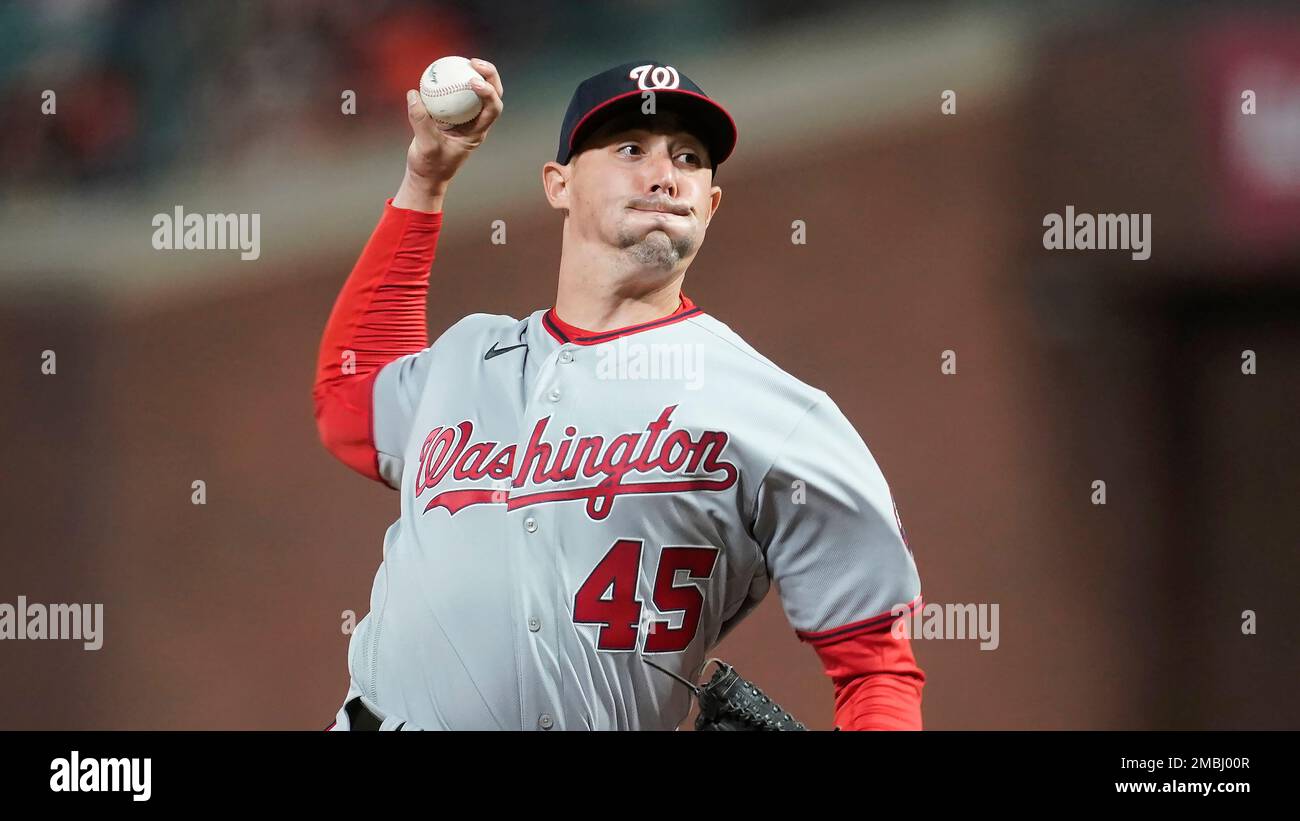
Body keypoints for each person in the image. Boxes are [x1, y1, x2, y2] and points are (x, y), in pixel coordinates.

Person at [313, 58, 925, 731]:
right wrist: (424, 179)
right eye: (631, 147)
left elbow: (875, 662)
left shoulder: (777, 415)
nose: (663, 173)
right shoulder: (468, 358)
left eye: (688, 157)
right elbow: (350, 398)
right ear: (559, 183)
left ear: (710, 203)